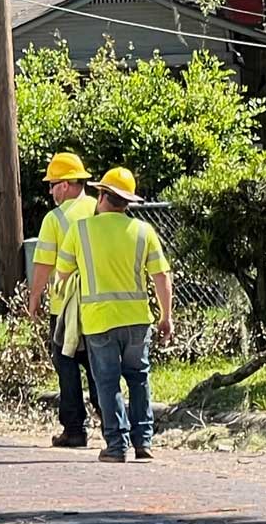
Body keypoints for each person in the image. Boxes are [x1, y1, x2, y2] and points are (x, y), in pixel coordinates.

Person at [58, 167, 174, 462]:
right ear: (127, 202)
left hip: (99, 321)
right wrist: (166, 317)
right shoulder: (143, 232)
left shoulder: (81, 230)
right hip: (138, 320)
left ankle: (117, 445)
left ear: (101, 196)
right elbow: (161, 276)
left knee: (107, 383)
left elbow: (62, 272)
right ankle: (143, 442)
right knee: (139, 379)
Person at [24, 152, 100, 447]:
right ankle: (112, 426)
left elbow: (43, 264)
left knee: (66, 364)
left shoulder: (54, 219)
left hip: (65, 307)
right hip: (97, 305)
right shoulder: (100, 209)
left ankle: (74, 429)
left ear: (67, 184)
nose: (51, 190)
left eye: (53, 183)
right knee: (98, 367)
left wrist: (34, 298)